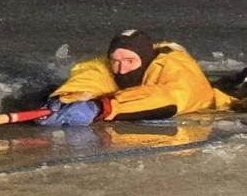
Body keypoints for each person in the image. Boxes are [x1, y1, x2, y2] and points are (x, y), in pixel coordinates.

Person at [36, 30, 233, 126]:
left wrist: (102, 107)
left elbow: (171, 97)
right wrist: (64, 98)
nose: (122, 69)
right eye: (116, 61)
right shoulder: (109, 65)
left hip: (211, 100)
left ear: (145, 60)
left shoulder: (175, 67)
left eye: (130, 61)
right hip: (135, 96)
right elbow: (92, 76)